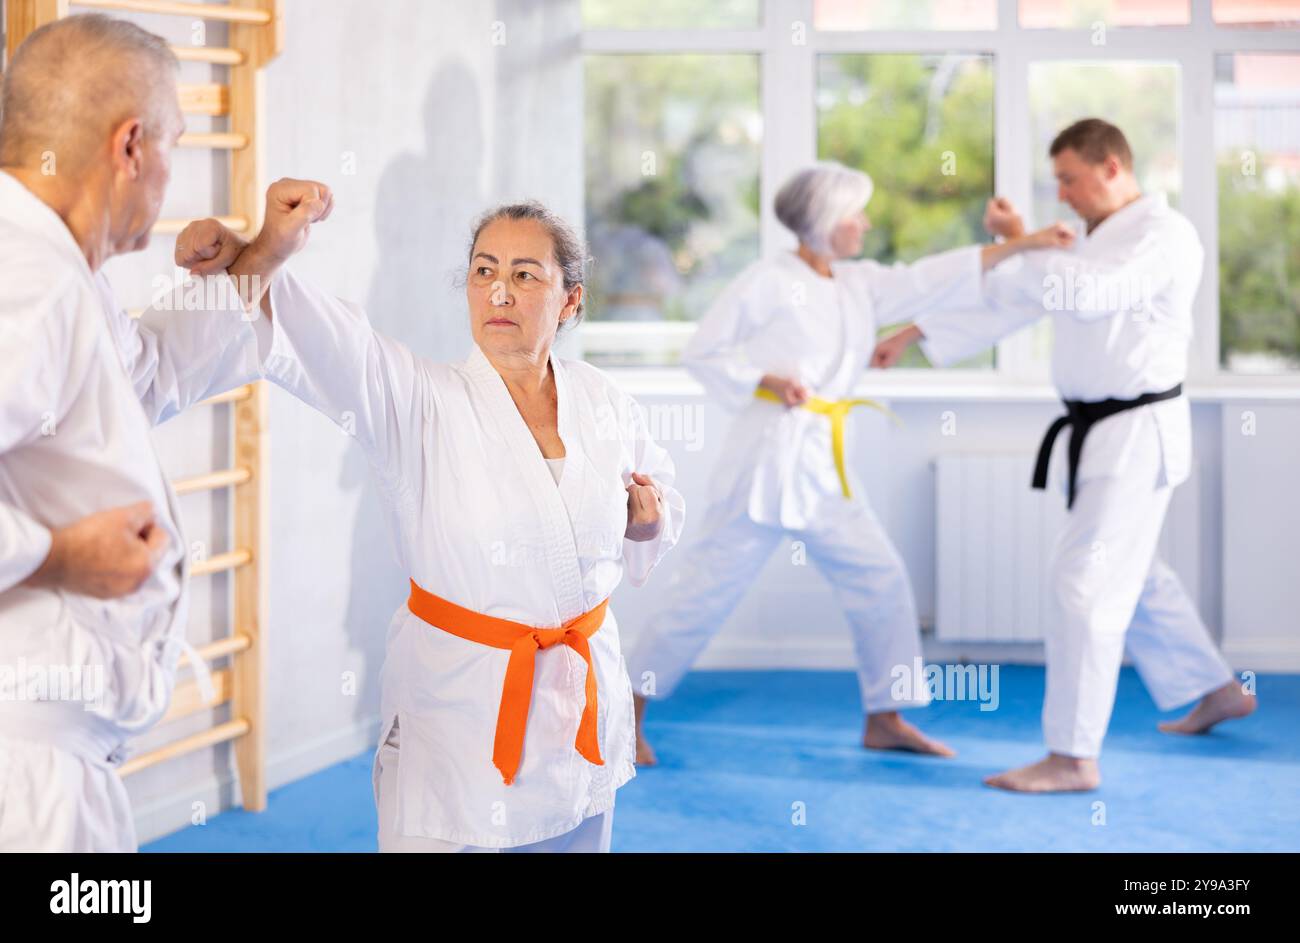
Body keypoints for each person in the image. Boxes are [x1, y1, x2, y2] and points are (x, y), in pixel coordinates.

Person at [176, 183, 685, 852]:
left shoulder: (603, 399)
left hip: (579, 700)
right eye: (484, 271)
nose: (499, 292)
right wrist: (248, 255)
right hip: (461, 707)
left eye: (524, 275)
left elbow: (662, 496)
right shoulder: (419, 400)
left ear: (572, 298)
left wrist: (648, 523)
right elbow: (329, 340)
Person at [624, 161, 1067, 765]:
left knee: (880, 581)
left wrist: (1024, 243)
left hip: (825, 468)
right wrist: (766, 380)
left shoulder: (859, 283)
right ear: (825, 222)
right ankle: (627, 712)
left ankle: (887, 717)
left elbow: (932, 277)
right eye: (854, 214)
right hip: (764, 466)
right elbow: (703, 351)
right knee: (703, 592)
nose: (864, 223)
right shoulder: (767, 279)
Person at [872, 119, 1256, 792]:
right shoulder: (1090, 241)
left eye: (1071, 179)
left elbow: (1086, 291)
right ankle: (1215, 687)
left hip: (1137, 429)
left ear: (1112, 167)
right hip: (1099, 433)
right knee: (1135, 575)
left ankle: (1073, 756)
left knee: (1084, 584)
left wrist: (1027, 242)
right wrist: (916, 328)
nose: (1064, 195)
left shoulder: (1165, 235)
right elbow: (1017, 299)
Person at [0, 15, 267, 850]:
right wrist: (59, 552)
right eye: (175, 146)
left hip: (59, 749)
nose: (167, 174)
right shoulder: (31, 278)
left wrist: (266, 258)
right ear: (129, 146)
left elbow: (142, 374)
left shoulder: (55, 265)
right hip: (29, 763)